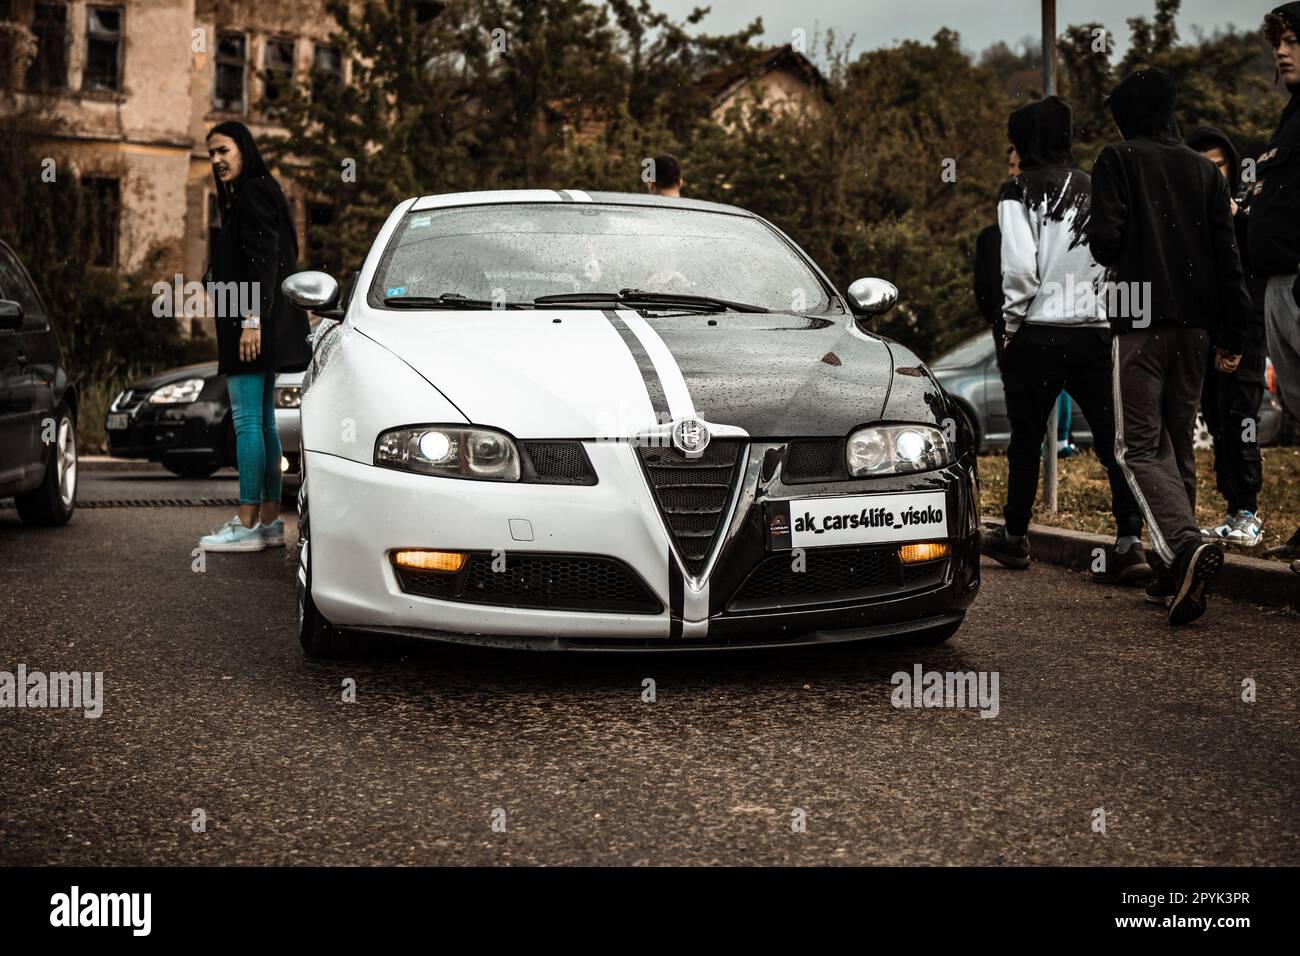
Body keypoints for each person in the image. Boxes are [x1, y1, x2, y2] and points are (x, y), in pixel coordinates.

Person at [1086, 68, 1251, 624]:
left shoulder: (1116, 158)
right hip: (1198, 329)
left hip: (1138, 317)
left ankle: (1182, 546)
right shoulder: (1204, 172)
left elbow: (1106, 242)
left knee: (1135, 447)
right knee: (1177, 442)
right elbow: (1229, 260)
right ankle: (1167, 570)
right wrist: (1236, 335)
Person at [978, 96, 1147, 585]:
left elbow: (1019, 270)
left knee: (1026, 440)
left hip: (1039, 334)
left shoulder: (1017, 191)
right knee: (1113, 440)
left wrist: (1011, 328)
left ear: (1025, 141)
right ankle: (1129, 541)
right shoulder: (1096, 187)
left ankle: (1014, 535)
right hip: (1094, 332)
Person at [198, 120, 311, 553]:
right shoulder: (256, 192)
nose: (216, 160)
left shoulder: (254, 192)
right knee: (262, 423)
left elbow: (264, 259)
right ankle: (266, 523)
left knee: (247, 422)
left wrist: (249, 320)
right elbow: (258, 256)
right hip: (257, 323)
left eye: (223, 150)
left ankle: (246, 526)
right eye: (211, 154)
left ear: (243, 148)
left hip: (250, 326)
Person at [1186, 125, 1267, 548]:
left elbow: (1260, 262)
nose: (1212, 174)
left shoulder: (1248, 212)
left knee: (1243, 418)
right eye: (1203, 166)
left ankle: (1249, 511)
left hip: (1248, 334)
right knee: (1217, 420)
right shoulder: (1189, 220)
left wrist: (1240, 218)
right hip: (1207, 335)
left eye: (1218, 165)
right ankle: (1232, 509)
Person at [1250, 4, 1300, 575]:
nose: (1280, 52)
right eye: (1277, 43)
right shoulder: (1292, 116)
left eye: (1291, 41)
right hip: (1278, 283)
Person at [973, 146, 1021, 370]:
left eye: (1014, 166)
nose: (1011, 172)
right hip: (1040, 318)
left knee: (1017, 393)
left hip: (1005, 317)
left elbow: (981, 289)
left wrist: (995, 316)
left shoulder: (991, 237)